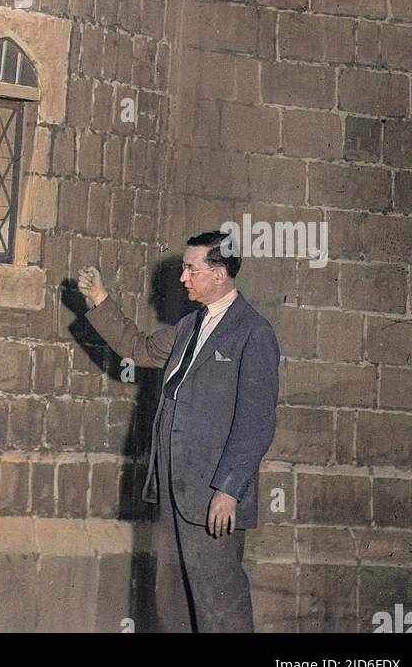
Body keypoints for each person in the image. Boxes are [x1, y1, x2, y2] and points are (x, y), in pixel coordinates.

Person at [78, 229, 280, 634]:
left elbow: (256, 423)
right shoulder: (188, 326)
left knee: (219, 609)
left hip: (212, 498)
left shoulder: (253, 333)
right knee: (173, 607)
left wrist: (228, 490)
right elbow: (138, 347)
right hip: (174, 492)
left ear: (220, 273)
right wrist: (100, 299)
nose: (184, 277)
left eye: (191, 269)